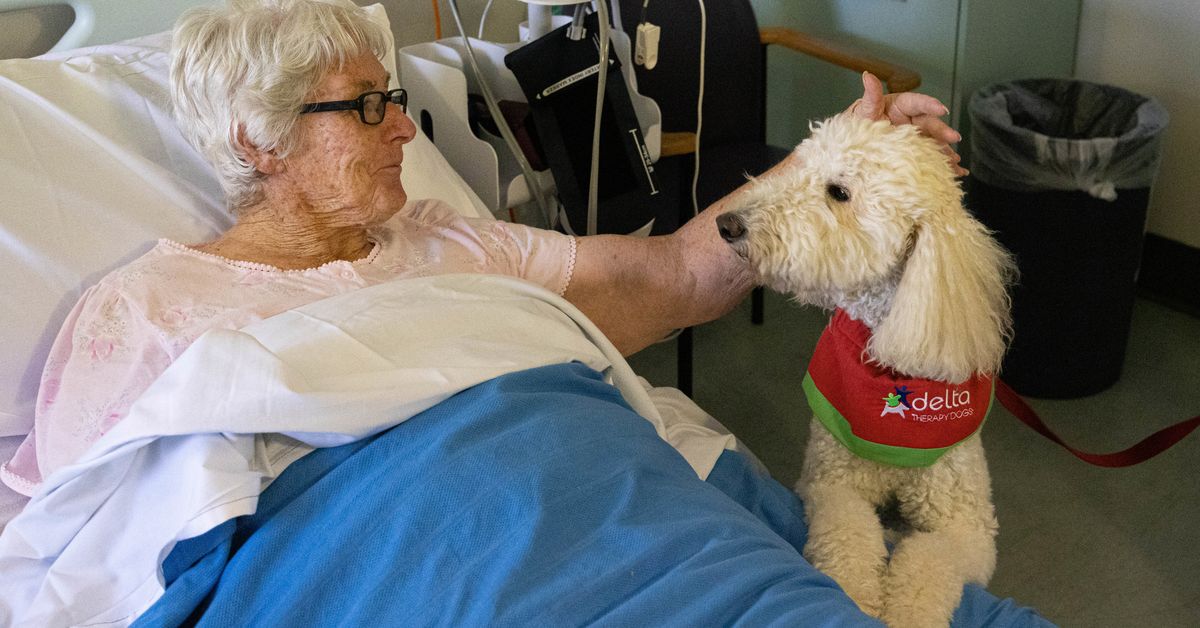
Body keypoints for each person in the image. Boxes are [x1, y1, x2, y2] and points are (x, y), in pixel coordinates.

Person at [0, 0, 962, 497]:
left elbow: (676, 274)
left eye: (397, 101)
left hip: (589, 483)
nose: (404, 131)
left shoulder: (445, 238)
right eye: (369, 106)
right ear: (260, 139)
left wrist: (830, 157)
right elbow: (75, 535)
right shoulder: (150, 307)